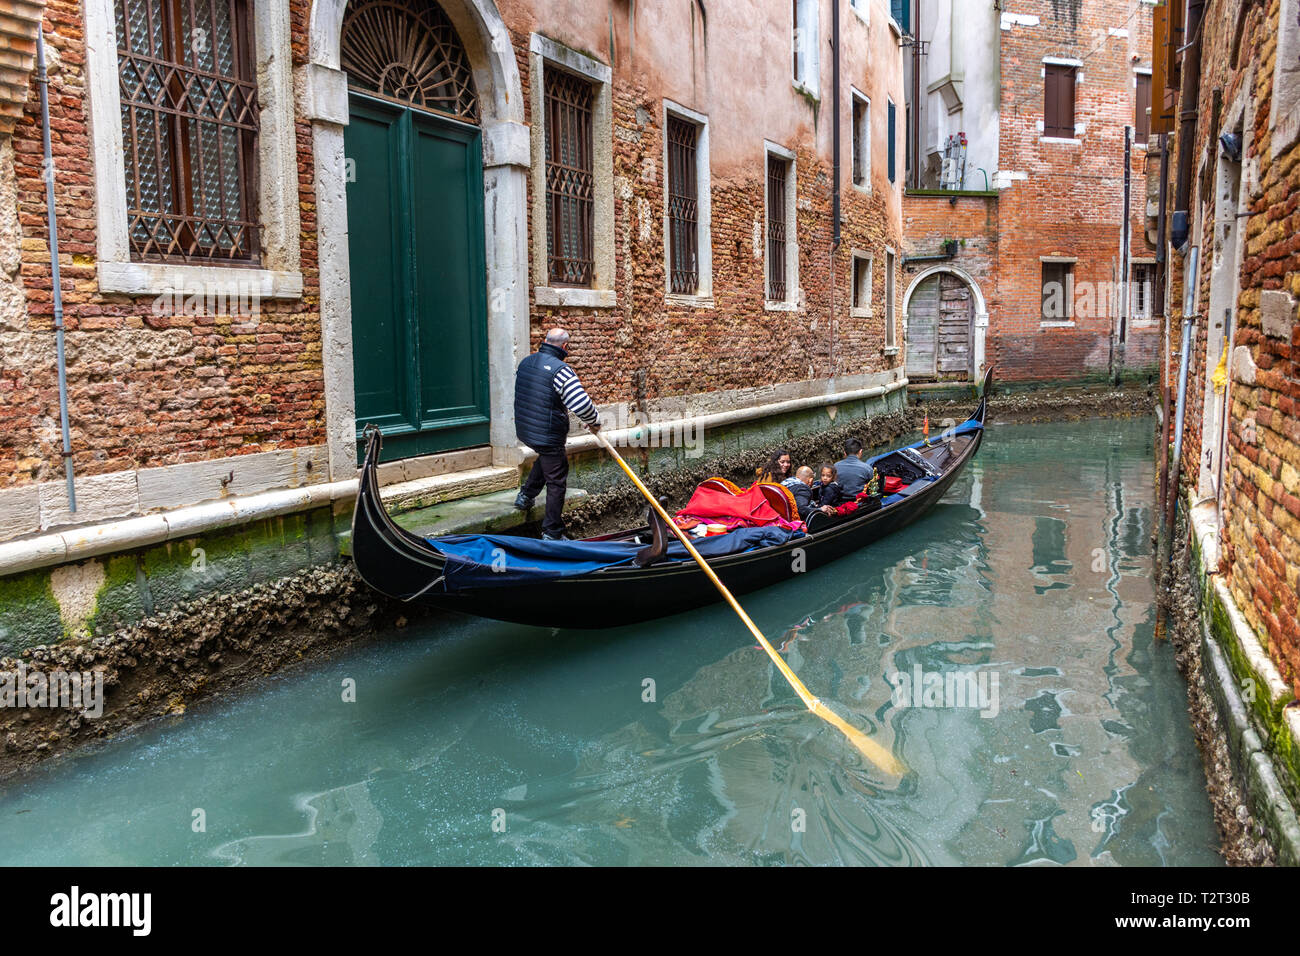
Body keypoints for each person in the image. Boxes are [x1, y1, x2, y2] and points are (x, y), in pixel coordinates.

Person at [513, 328, 600, 540]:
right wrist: (594, 422)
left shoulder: (526, 362)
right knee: (557, 480)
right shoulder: (561, 371)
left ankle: (525, 496)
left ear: (545, 341)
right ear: (565, 347)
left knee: (547, 460)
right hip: (547, 434)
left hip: (525, 429)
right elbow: (581, 405)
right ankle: (552, 532)